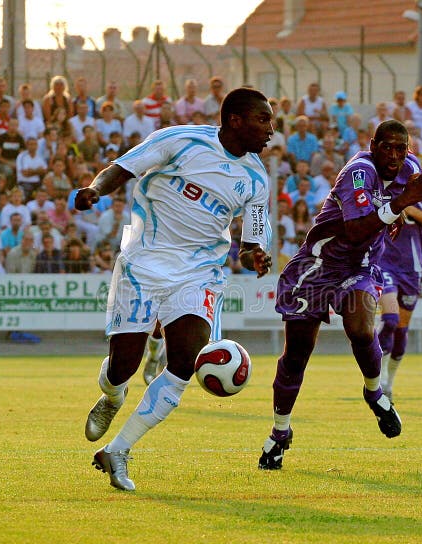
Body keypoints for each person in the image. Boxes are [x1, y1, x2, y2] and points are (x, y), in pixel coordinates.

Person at [74, 87, 274, 491]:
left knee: (187, 360)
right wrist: (96, 190)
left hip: (199, 272)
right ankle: (113, 397)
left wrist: (256, 252)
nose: (270, 130)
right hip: (144, 261)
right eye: (263, 120)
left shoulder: (256, 177)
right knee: (122, 367)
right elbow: (122, 168)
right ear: (236, 120)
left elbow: (253, 230)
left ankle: (118, 450)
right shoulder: (179, 140)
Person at [258, 119, 422, 471]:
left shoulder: (411, 169)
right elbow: (356, 230)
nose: (395, 155)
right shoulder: (358, 171)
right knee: (296, 356)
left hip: (360, 267)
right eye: (387, 147)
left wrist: (397, 209)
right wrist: (400, 204)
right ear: (373, 145)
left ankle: (375, 393)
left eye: (402, 148)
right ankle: (279, 434)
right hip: (315, 268)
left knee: (359, 328)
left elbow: (385, 215)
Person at [376, 171, 422, 402]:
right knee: (390, 318)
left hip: (412, 266)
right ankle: (380, 380)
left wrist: (410, 209)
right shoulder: (378, 181)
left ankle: (389, 383)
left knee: (401, 329)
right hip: (384, 260)